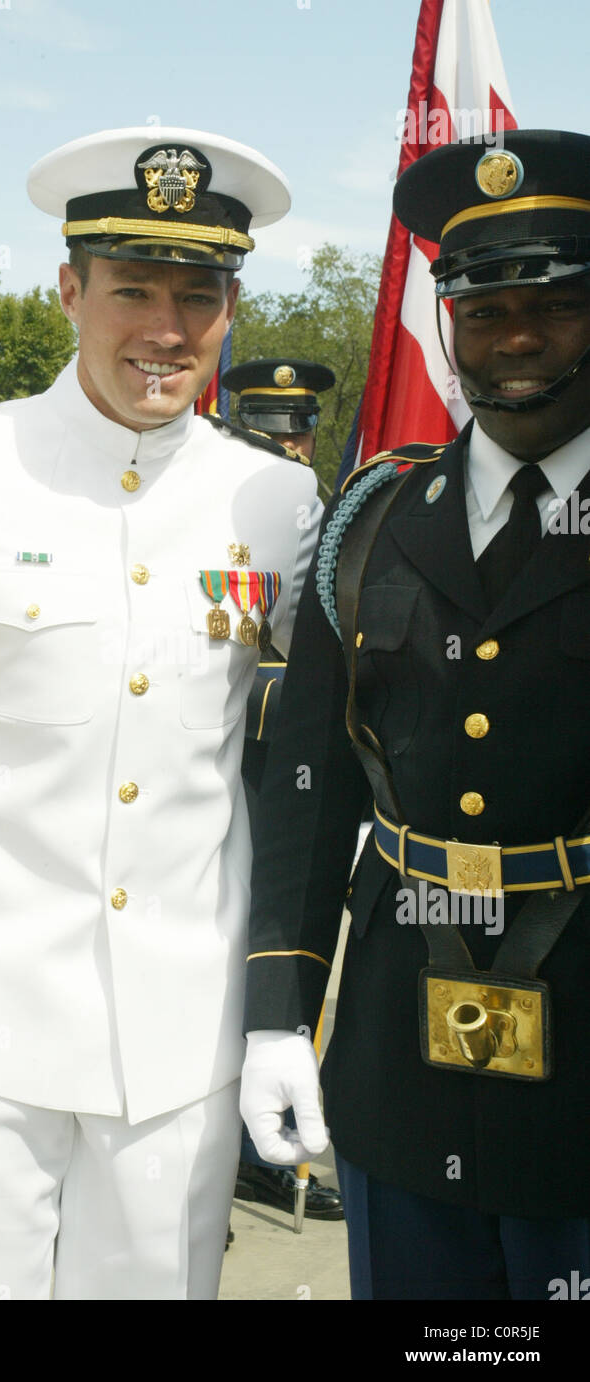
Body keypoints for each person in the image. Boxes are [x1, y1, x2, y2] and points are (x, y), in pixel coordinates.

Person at [0, 126, 322, 1300]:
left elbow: (322, 738)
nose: (164, 329)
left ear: (232, 306)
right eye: (131, 289)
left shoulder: (273, 500)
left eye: (197, 293)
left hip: (179, 1037)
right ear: (68, 289)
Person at [241, 129, 590, 1299]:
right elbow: (305, 786)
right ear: (447, 326)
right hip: (397, 1057)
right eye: (484, 312)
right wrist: (277, 1014)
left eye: (554, 304)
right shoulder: (377, 518)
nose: (518, 339)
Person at [221, 358, 343, 1222]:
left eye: (297, 426)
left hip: (296, 791)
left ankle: (263, 1153)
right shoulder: (223, 505)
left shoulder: (332, 512)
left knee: (281, 968)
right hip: (225, 781)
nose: (285, 441)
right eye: (268, 423)